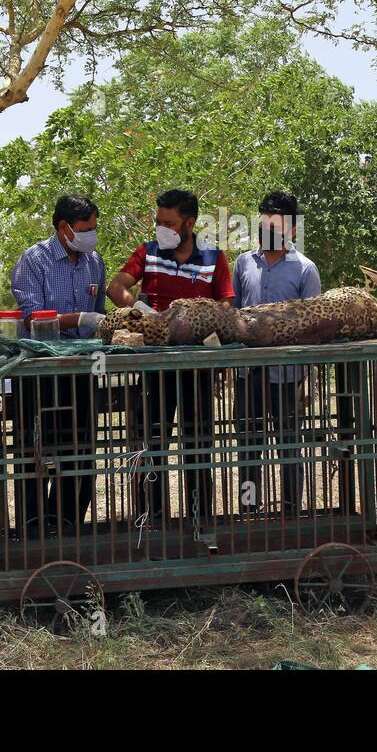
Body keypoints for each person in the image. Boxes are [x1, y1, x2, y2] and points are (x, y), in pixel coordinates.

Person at [108, 189, 236, 530]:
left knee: (198, 445)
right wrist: (145, 313)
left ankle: (200, 521)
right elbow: (116, 287)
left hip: (196, 369)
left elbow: (226, 305)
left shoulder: (213, 257)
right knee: (150, 444)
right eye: (158, 222)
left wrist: (197, 323)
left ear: (190, 223)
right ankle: (153, 522)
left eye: (169, 223)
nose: (161, 228)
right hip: (154, 368)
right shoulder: (147, 253)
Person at [10, 194, 109, 532]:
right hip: (39, 373)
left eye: (94, 228)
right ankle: (33, 527)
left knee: (80, 452)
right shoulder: (34, 261)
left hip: (81, 372)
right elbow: (31, 318)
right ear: (63, 228)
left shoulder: (94, 261)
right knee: (35, 452)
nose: (91, 235)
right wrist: (78, 317)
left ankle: (67, 526)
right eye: (85, 229)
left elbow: (100, 314)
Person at [232, 192, 321, 514]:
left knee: (289, 447)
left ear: (292, 229)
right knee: (247, 449)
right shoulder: (243, 262)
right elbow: (234, 314)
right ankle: (248, 510)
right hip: (248, 374)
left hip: (287, 376)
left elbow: (314, 324)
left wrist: (304, 377)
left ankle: (291, 513)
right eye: (263, 222)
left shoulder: (305, 269)